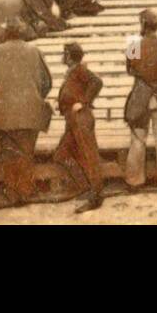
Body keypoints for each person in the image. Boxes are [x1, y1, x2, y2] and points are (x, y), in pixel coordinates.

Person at [0, 23, 52, 205]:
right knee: (26, 153)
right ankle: (25, 192)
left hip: (6, 112)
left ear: (5, 35)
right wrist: (34, 97)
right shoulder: (35, 51)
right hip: (32, 111)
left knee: (8, 154)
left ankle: (12, 193)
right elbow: (47, 82)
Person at [52, 41, 105, 211]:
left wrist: (83, 102)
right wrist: (60, 102)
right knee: (61, 154)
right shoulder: (73, 71)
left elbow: (97, 82)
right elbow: (72, 91)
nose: (62, 56)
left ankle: (96, 196)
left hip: (81, 118)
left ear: (69, 56)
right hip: (72, 120)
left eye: (64, 53)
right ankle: (84, 187)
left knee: (90, 157)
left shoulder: (80, 69)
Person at [123, 8, 157, 190]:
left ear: (143, 25)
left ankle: (135, 181)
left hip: (140, 96)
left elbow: (129, 69)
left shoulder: (134, 44)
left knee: (137, 139)